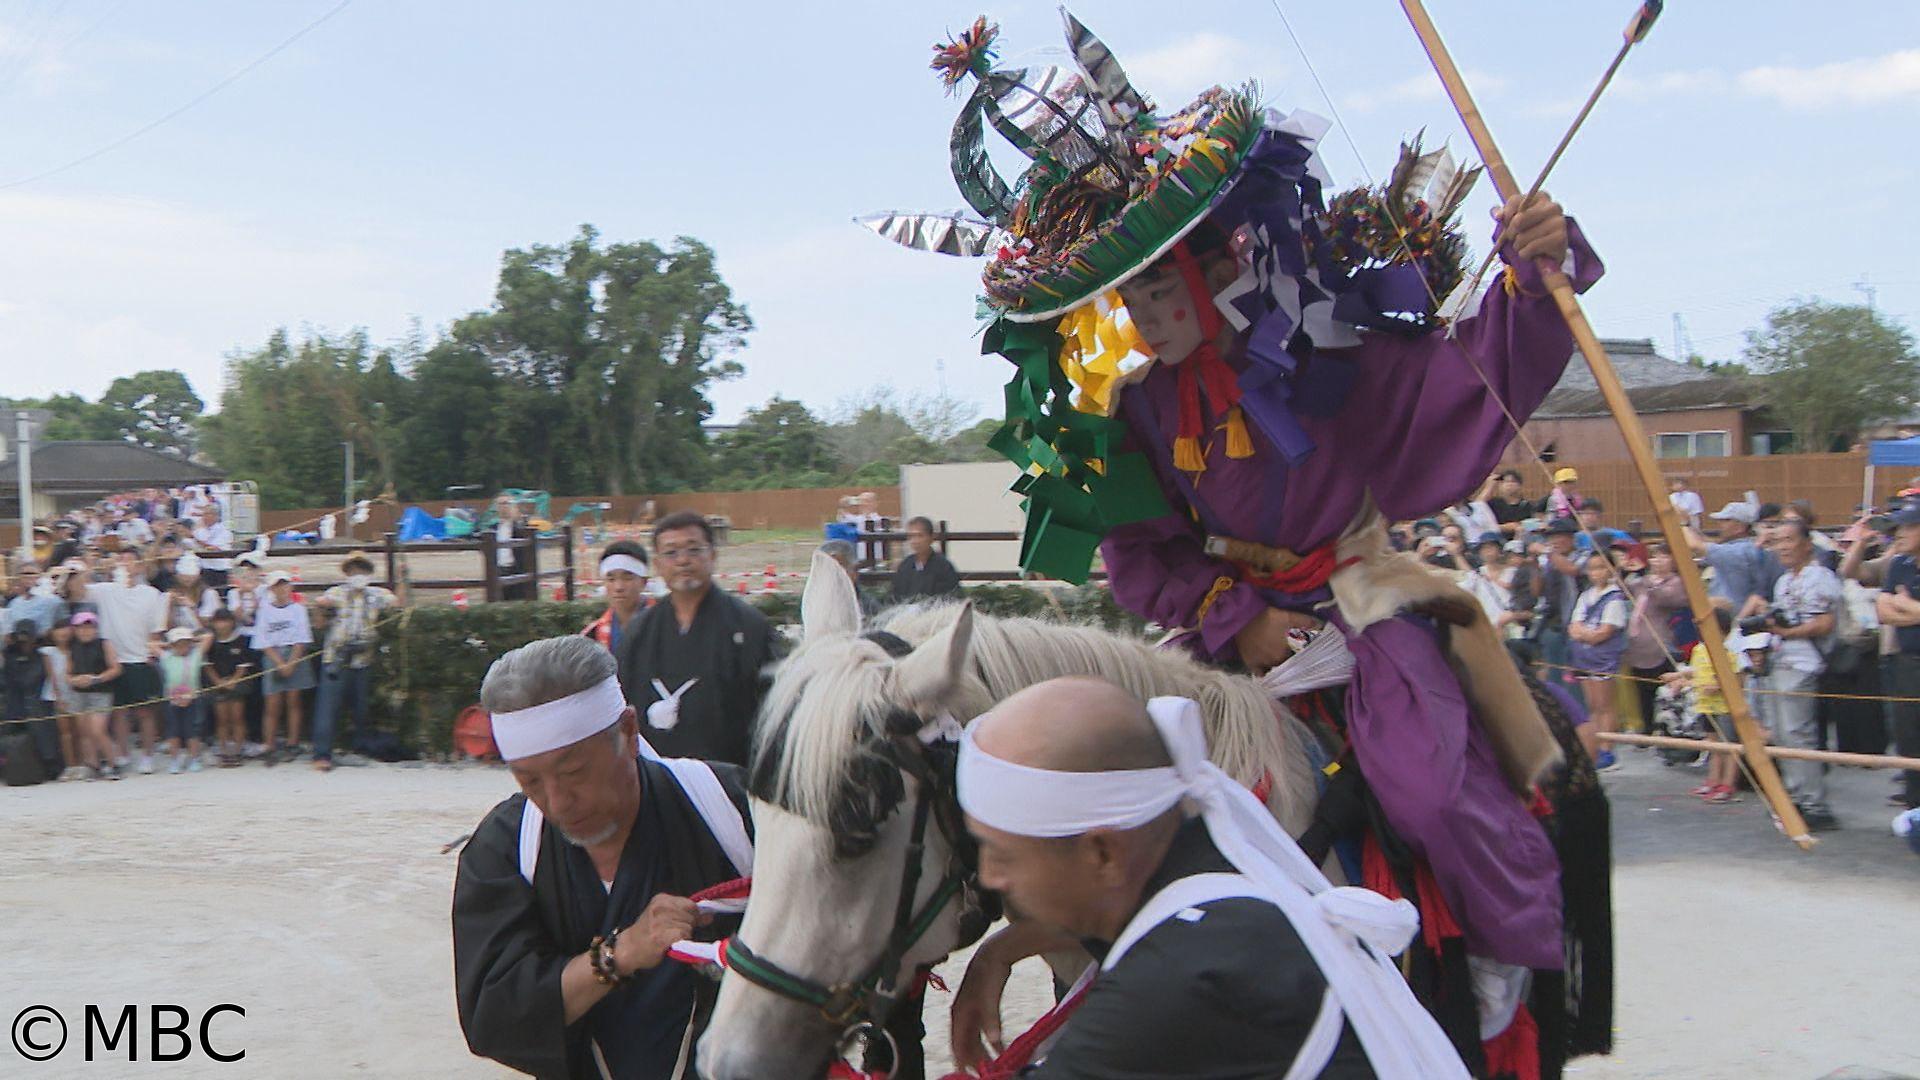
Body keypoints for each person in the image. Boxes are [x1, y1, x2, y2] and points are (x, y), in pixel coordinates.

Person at [883, 20, 1596, 1032]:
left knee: (1427, 787)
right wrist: (1230, 613)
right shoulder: (1131, 408)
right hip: (1224, 637)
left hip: (1356, 604)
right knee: (1099, 803)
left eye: (1160, 280)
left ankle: (1499, 948)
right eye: (1127, 293)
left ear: (1220, 265)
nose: (1144, 309)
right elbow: (1137, 551)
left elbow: (1466, 378)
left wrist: (1532, 276)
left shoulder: (1333, 359)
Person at [950, 677, 1465, 1078]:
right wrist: (1001, 950)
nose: (991, 876)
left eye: (1003, 853)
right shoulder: (1217, 871)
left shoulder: (1180, 979)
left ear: (1103, 852)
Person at [452, 636, 751, 1079]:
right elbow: (493, 1016)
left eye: (574, 772)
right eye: (529, 781)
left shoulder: (732, 811)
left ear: (628, 732)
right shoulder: (506, 847)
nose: (557, 802)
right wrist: (619, 954)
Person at [614, 512, 779, 765]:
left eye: (694, 550)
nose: (683, 561)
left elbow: (773, 711)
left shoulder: (749, 628)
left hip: (730, 778)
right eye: (671, 553)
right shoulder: (640, 632)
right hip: (658, 779)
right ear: (657, 564)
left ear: (712, 556)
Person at [1759, 520, 1843, 830]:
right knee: (1781, 734)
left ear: (1807, 543)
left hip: (1805, 662)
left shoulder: (1820, 578)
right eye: (1777, 540)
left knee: (1799, 733)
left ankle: (1813, 801)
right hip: (1780, 659)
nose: (1782, 546)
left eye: (1789, 540)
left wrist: (1787, 630)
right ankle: (1793, 795)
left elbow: (1825, 623)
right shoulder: (1782, 581)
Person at [314, 552, 398, 772]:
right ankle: (322, 753)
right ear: (347, 574)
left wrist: (402, 579)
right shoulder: (337, 593)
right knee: (327, 707)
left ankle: (360, 746)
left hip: (363, 657)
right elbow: (321, 609)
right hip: (337, 657)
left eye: (361, 571)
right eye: (353, 571)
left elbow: (397, 603)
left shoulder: (377, 595)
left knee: (361, 708)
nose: (357, 575)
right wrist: (321, 608)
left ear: (368, 574)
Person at [87, 546, 168, 773]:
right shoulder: (105, 590)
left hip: (141, 659)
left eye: (131, 560)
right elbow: (80, 585)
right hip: (114, 661)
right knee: (120, 712)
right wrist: (97, 566)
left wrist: (151, 654)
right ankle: (123, 754)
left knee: (145, 712)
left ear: (140, 565)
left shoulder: (151, 594)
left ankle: (148, 756)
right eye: (121, 560)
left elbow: (156, 631)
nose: (126, 564)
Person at [1873, 505, 1920, 813]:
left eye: (1906, 527)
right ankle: (1915, 810)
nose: (1898, 534)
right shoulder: (1899, 565)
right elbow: (1882, 611)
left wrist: (1903, 604)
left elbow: (1893, 606)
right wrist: (1909, 610)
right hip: (1908, 663)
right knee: (1908, 739)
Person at [1568, 552, 1630, 768]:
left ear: (1611, 570)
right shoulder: (1585, 596)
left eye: (1601, 567)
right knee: (1592, 705)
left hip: (1603, 658)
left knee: (1606, 705)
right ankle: (1594, 745)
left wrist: (1585, 634)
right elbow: (1573, 626)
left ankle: (1607, 749)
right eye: (1592, 568)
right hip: (1584, 656)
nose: (1596, 573)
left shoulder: (1615, 598)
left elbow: (1603, 633)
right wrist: (1585, 634)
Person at [1621, 543, 1688, 733]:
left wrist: (1646, 580)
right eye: (1655, 557)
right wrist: (1624, 571)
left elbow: (1667, 599)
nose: (1658, 561)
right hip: (1637, 646)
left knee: (1665, 690)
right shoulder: (1643, 581)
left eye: (1663, 557)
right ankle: (1646, 727)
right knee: (1642, 691)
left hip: (1662, 645)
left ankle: (1668, 730)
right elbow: (1624, 589)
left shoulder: (1676, 582)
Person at [255, 571, 314, 765]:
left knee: (293, 701)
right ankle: (269, 744)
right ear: (271, 589)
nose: (281, 589)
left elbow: (302, 638)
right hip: (274, 654)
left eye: (285, 584)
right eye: (277, 585)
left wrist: (291, 662)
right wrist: (279, 663)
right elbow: (262, 639)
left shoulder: (298, 609)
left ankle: (292, 742)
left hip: (294, 653)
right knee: (272, 704)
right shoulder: (265, 610)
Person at [1685, 499, 1782, 617]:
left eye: (1726, 520)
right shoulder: (1740, 547)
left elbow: (1695, 545)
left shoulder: (1740, 551)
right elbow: (1702, 542)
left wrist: (1681, 523)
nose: (1720, 524)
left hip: (1732, 618)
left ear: (1740, 527)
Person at [66, 611, 122, 779]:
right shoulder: (72, 648)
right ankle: (93, 765)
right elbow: (67, 674)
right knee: (84, 732)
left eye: (89, 627)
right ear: (75, 630)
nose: (85, 631)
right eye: (81, 628)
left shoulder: (104, 644)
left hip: (100, 692)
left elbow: (116, 668)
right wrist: (75, 680)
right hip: (79, 693)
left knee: (98, 730)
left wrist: (96, 679)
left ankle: (113, 764)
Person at [204, 608, 253, 767]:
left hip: (237, 683)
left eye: (225, 621)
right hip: (217, 683)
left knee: (237, 717)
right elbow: (207, 666)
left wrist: (233, 681)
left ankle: (238, 750)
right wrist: (218, 682)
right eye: (218, 621)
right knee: (222, 719)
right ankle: (224, 750)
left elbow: (243, 666)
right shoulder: (210, 642)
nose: (222, 625)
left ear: (232, 622)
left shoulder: (241, 640)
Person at [158, 625, 208, 774]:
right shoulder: (167, 657)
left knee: (191, 731)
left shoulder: (195, 656)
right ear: (172, 645)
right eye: (178, 644)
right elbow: (151, 645)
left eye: (185, 643)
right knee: (173, 731)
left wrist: (193, 639)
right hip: (172, 701)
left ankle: (193, 758)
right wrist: (168, 645)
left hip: (192, 700)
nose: (182, 647)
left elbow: (208, 637)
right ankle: (175, 760)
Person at [583, 541, 652, 650]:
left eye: (627, 578)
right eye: (611, 579)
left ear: (644, 582)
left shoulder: (666, 626)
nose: (618, 587)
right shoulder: (592, 635)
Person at [890, 516, 962, 602]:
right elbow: (896, 595)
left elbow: (951, 596)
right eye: (911, 536)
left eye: (920, 536)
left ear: (931, 537)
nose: (915, 541)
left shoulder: (943, 566)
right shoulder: (905, 565)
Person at [818, 538, 879, 619]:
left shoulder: (868, 607)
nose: (834, 575)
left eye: (840, 569)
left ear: (854, 573)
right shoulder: (810, 604)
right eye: (828, 569)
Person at [495, 495, 538, 602]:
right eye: (500, 504)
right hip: (499, 570)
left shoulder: (520, 527)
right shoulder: (494, 528)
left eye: (507, 504)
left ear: (514, 506)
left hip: (516, 570)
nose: (503, 507)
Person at [191, 503, 234, 589]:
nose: (204, 517)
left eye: (207, 514)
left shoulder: (224, 531)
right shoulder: (200, 530)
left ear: (216, 516)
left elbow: (213, 548)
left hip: (219, 569)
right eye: (203, 514)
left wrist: (199, 542)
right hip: (204, 568)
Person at [1483, 469, 1536, 536]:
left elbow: (1533, 525)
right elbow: (1476, 507)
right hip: (1497, 540)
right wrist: (1488, 488)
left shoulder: (1527, 506)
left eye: (1512, 481)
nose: (1509, 484)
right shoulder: (1493, 503)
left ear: (1520, 486)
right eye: (1505, 482)